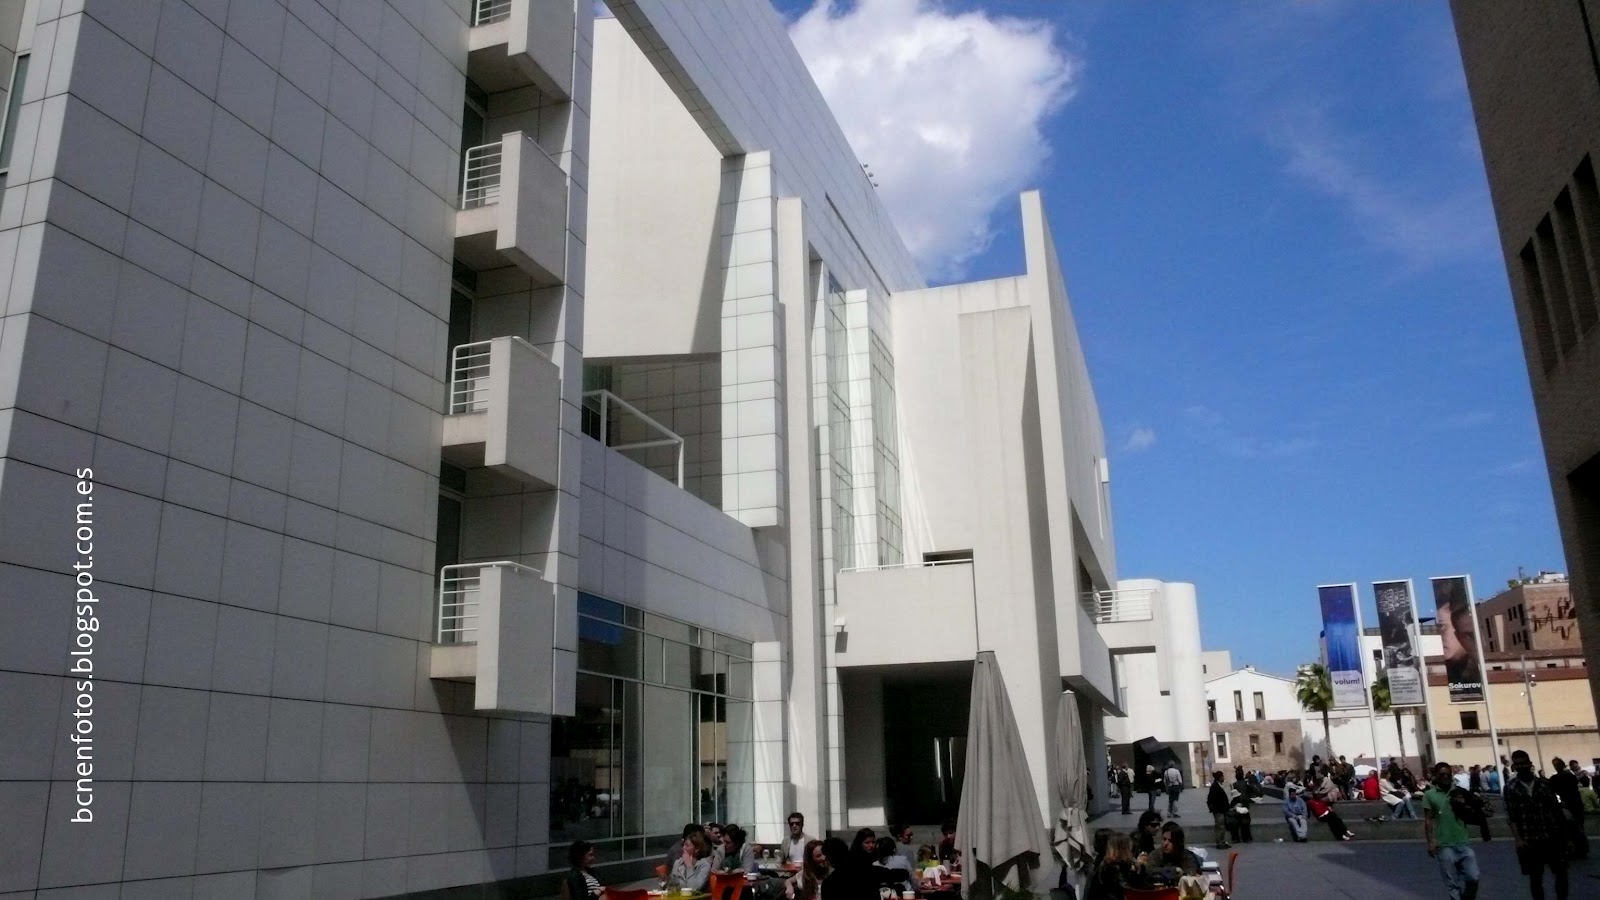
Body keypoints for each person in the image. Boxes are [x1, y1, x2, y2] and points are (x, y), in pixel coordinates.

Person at [1504, 750, 1569, 900]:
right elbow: (1511, 815)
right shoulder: (1510, 788)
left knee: (1561, 872)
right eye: (1518, 764)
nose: (1521, 766)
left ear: (1530, 764)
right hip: (1529, 838)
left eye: (1523, 763)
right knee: (1535, 877)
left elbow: (1556, 811)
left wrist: (1567, 837)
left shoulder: (1544, 785)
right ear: (1514, 766)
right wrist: (1518, 839)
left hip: (1552, 835)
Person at [1424, 761, 1480, 900]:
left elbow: (1474, 810)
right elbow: (1428, 819)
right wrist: (1431, 841)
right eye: (1442, 774)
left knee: (1473, 877)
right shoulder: (1430, 795)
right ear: (1435, 776)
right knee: (1452, 883)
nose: (1445, 777)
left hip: (1463, 841)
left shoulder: (1460, 792)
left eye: (1448, 774)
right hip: (1444, 844)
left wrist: (1467, 805)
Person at [1549, 756, 1588, 860]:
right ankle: (1579, 849)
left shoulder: (1563, 777)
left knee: (1574, 826)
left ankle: (1578, 849)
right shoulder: (1567, 776)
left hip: (1571, 804)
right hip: (1572, 803)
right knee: (1575, 827)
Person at [1087, 833, 1147, 900]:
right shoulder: (1112, 868)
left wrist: (1138, 867)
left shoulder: (1107, 864)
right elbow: (1129, 888)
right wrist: (1137, 869)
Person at [1205, 771, 1231, 849]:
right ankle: (1219, 842)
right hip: (1218, 810)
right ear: (1219, 778)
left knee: (1222, 826)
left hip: (1221, 810)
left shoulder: (1217, 786)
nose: (1224, 778)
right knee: (1220, 826)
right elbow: (1212, 799)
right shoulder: (1215, 787)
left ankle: (1222, 841)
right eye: (1222, 776)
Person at [1229, 769, 1255, 843]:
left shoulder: (1235, 784)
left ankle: (1237, 838)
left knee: (1239, 822)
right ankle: (1247, 838)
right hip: (1245, 803)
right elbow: (1250, 791)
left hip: (1238, 803)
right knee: (1246, 822)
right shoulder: (1245, 783)